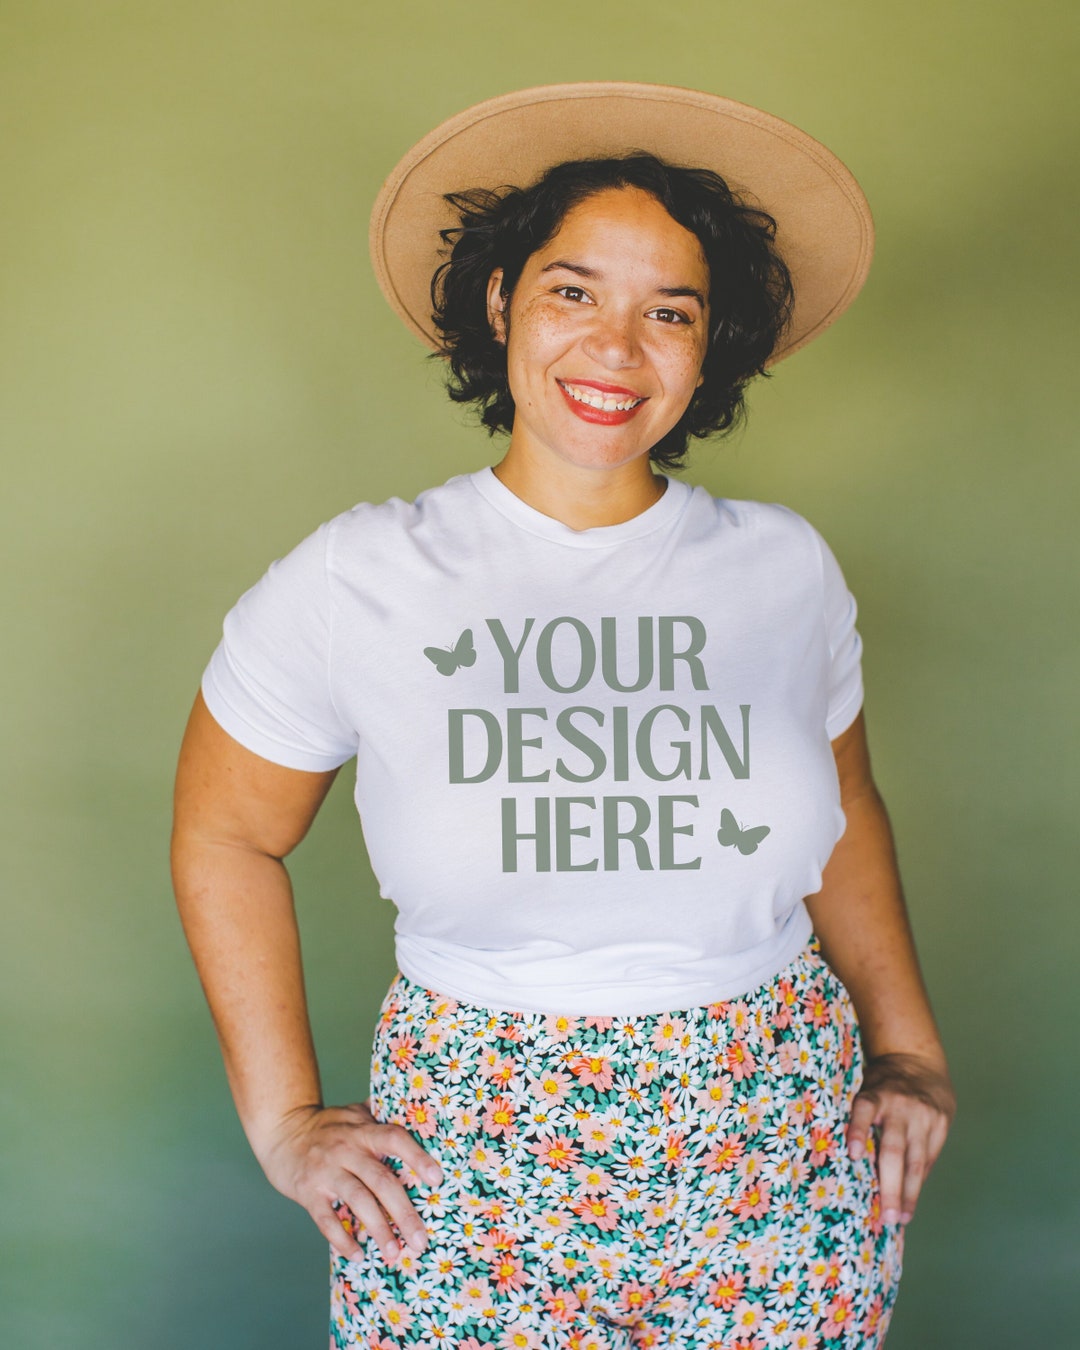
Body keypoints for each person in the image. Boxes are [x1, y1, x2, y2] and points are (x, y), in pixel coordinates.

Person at [172, 84, 956, 1349]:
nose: (616, 347)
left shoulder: (785, 568)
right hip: (464, 1171)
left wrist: (909, 1047)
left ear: (711, 350)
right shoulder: (358, 577)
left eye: (670, 312)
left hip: (778, 1151)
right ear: (501, 304)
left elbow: (843, 807)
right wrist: (284, 1119)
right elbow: (225, 836)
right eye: (574, 292)